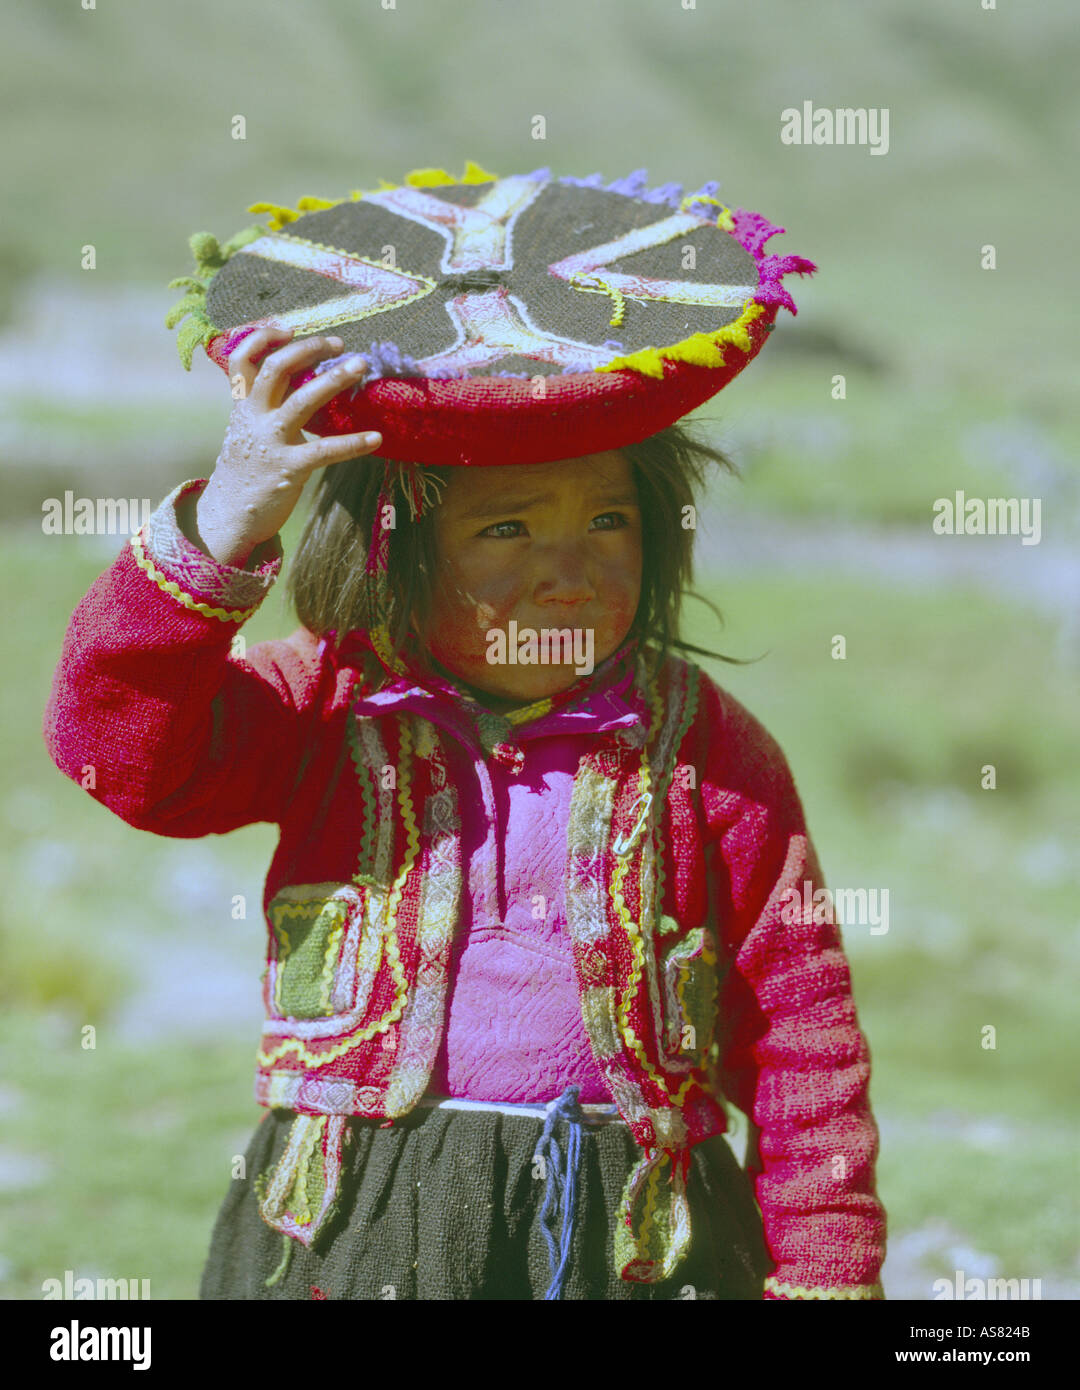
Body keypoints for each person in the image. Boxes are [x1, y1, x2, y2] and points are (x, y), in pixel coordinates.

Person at [43, 323, 887, 1300]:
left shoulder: (707, 749)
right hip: (358, 1222)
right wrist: (226, 524)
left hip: (636, 1237)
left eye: (609, 520)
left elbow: (804, 1030)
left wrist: (828, 1274)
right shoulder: (325, 710)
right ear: (398, 548)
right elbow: (119, 754)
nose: (568, 567)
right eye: (507, 528)